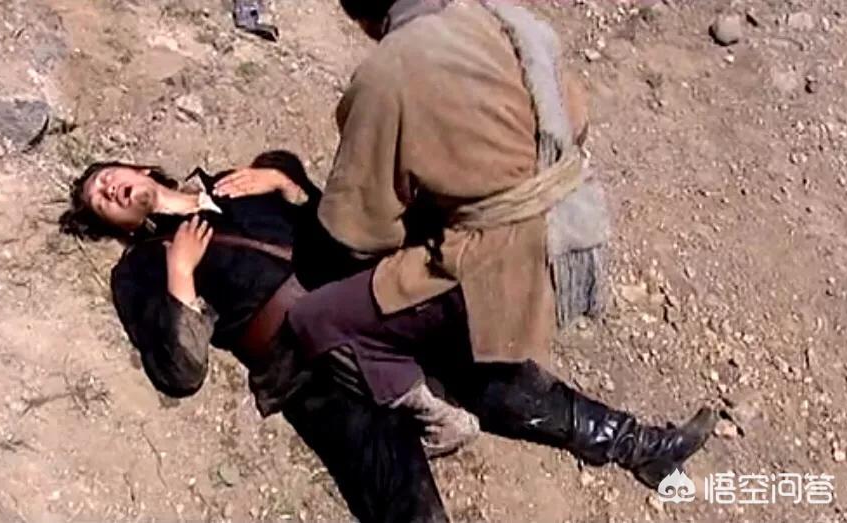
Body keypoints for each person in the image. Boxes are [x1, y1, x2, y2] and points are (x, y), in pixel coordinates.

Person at [285, 0, 717, 490]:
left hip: (504, 259)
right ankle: (640, 445)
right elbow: (575, 118)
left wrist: (302, 195)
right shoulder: (498, 17)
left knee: (319, 318)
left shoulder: (389, 70)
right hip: (572, 226)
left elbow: (357, 233)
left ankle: (437, 417)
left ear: (364, 16)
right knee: (483, 369)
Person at [59, 151, 449, 522]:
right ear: (119, 226)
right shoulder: (140, 270)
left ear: (139, 169)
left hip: (370, 298)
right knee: (402, 496)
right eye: (101, 202)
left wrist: (284, 183)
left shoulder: (234, 184)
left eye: (106, 178)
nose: (109, 190)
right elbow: (180, 373)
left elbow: (334, 228)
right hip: (306, 367)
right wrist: (180, 273)